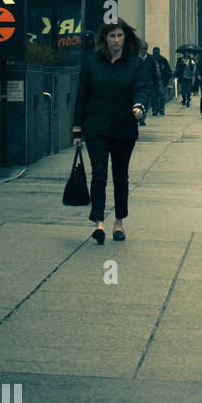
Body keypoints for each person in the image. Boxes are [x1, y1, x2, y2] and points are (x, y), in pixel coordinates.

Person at [72, 19, 152, 244]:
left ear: (125, 38)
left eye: (120, 36)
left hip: (124, 126)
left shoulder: (135, 64)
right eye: (112, 36)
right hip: (95, 127)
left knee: (120, 175)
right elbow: (82, 95)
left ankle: (119, 221)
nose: (116, 41)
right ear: (104, 39)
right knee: (99, 174)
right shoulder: (91, 63)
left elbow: (143, 89)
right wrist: (77, 130)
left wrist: (139, 106)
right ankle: (98, 222)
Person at [151, 46, 171, 114]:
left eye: (157, 53)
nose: (156, 55)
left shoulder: (163, 60)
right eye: (155, 53)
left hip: (161, 80)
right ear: (153, 53)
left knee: (161, 95)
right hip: (153, 81)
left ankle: (161, 109)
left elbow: (168, 71)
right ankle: (155, 110)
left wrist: (166, 81)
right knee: (153, 96)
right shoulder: (150, 60)